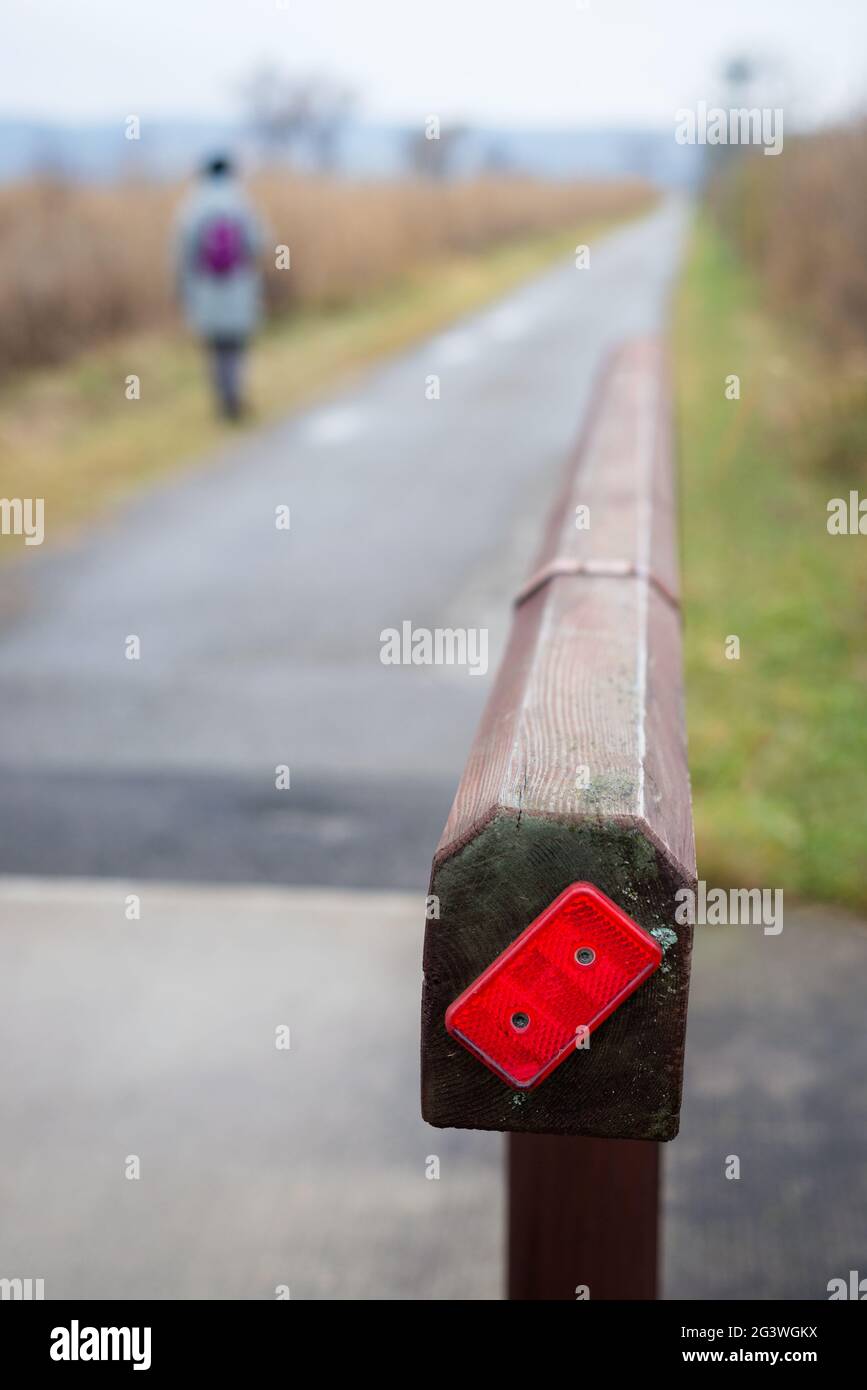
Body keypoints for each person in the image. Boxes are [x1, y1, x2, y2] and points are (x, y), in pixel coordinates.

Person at [175, 155, 264, 419]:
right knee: (236, 346)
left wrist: (182, 291)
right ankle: (235, 396)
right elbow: (259, 242)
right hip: (238, 288)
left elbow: (181, 255)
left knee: (215, 348)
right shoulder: (241, 203)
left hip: (205, 291)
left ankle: (222, 401)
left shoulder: (191, 207)